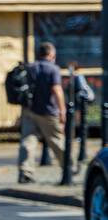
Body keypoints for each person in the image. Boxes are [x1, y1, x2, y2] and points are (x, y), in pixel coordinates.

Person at [18, 41, 68, 183]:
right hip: (48, 110)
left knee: (28, 141)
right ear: (51, 54)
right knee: (57, 140)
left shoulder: (30, 67)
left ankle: (25, 172)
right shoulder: (53, 69)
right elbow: (57, 90)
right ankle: (68, 168)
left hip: (29, 110)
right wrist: (62, 110)